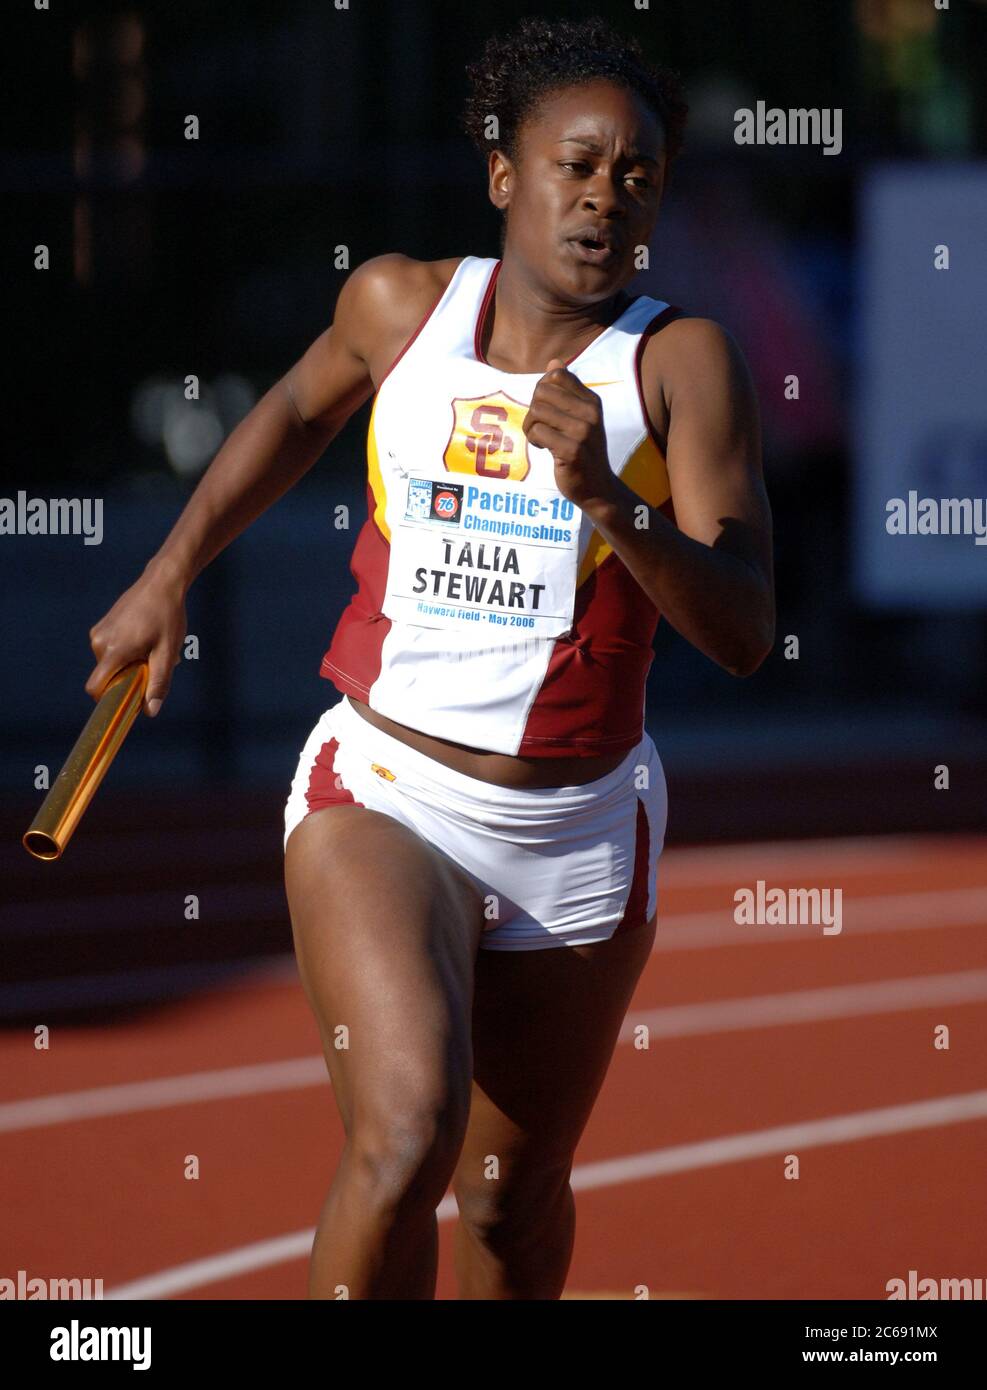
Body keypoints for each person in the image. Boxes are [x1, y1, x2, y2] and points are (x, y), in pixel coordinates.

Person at [85, 15, 774, 1300]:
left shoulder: (680, 366)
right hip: (384, 788)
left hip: (574, 829)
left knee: (508, 1209)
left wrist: (613, 502)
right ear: (505, 172)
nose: (605, 198)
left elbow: (742, 629)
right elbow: (293, 408)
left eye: (638, 176)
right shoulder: (402, 301)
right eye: (576, 164)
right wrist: (166, 575)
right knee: (405, 1136)